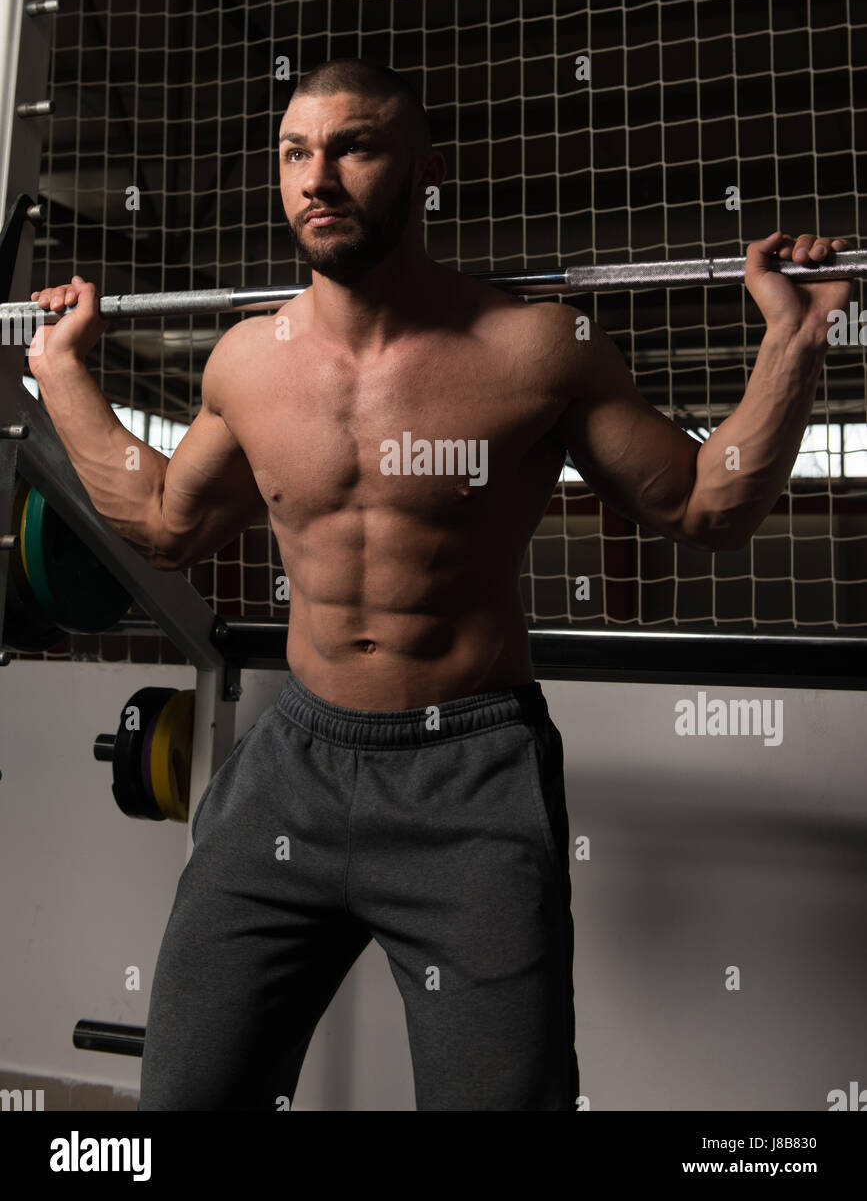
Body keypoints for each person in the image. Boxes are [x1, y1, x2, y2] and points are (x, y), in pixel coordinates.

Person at [28, 58, 851, 1110]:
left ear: (424, 175)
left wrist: (797, 336)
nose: (316, 177)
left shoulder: (536, 349)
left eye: (353, 147)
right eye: (294, 153)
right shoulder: (246, 362)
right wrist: (60, 372)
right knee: (188, 1094)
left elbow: (700, 505)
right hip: (292, 761)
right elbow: (166, 524)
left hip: (470, 777)